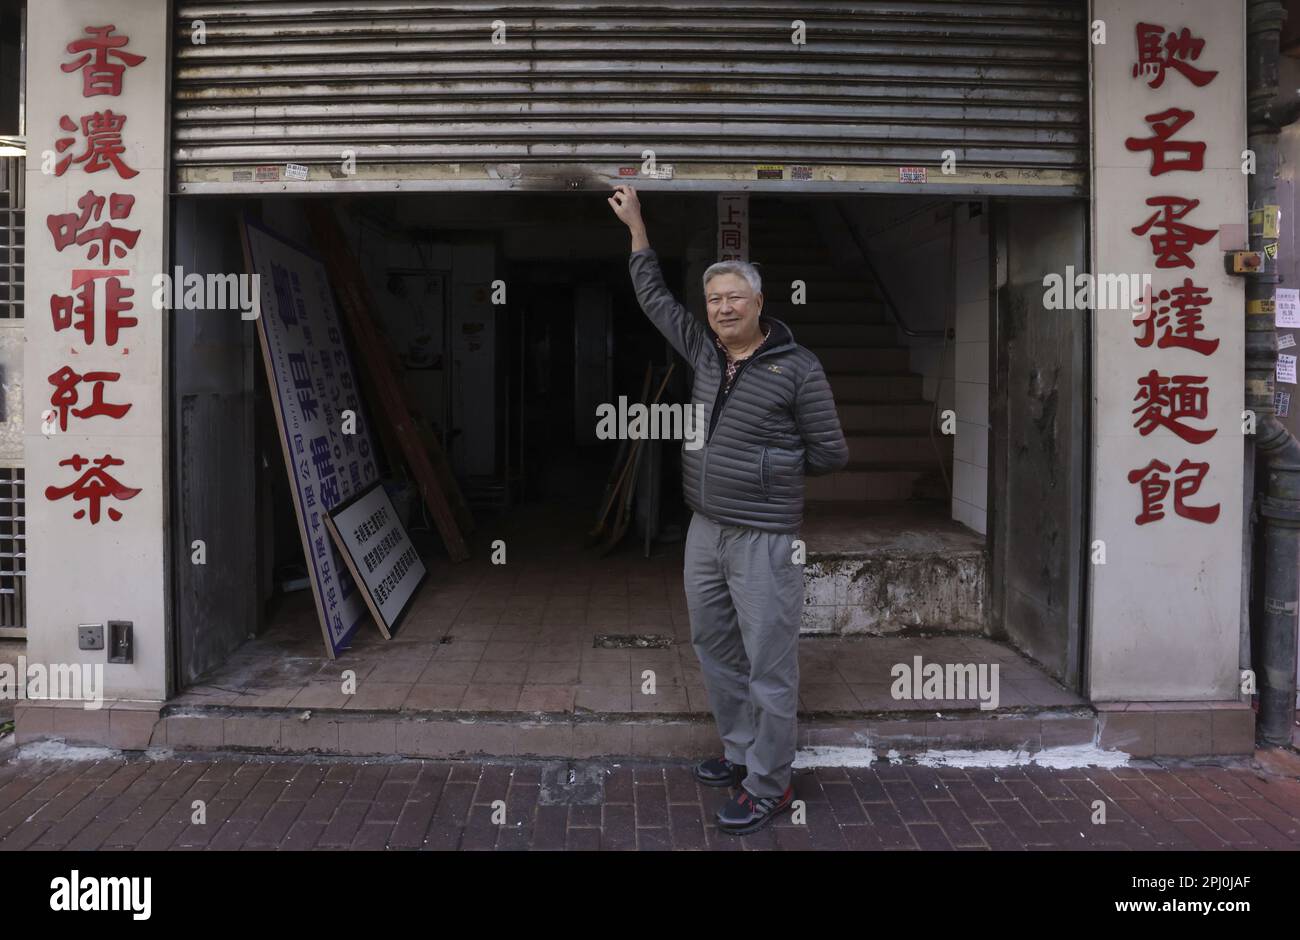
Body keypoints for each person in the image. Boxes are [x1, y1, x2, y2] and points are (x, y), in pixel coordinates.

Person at [607, 184, 849, 835]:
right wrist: (636, 227)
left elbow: (829, 450)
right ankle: (740, 751)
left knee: (768, 662)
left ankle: (769, 783)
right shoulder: (705, 351)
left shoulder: (796, 368)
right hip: (704, 529)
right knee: (714, 645)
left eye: (733, 298)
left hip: (765, 538)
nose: (721, 308)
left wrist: (764, 465)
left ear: (759, 303)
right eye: (713, 299)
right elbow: (655, 300)